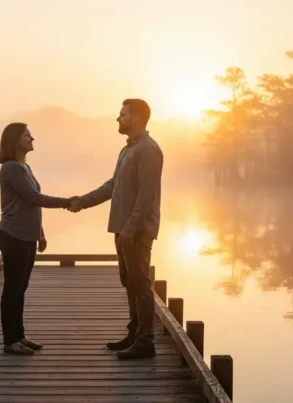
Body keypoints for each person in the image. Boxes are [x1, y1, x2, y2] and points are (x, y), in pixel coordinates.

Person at [68, 99, 163, 359]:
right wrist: (83, 202)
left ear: (137, 118)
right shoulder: (127, 150)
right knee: (129, 282)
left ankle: (145, 342)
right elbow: (113, 185)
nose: (118, 119)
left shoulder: (149, 150)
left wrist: (131, 228)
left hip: (136, 231)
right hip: (122, 229)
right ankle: (134, 333)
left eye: (122, 115)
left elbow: (146, 194)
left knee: (141, 284)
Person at [0, 122, 73, 355]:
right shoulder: (11, 168)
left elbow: (30, 204)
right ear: (15, 140)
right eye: (27, 135)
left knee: (21, 287)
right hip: (13, 235)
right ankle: (10, 341)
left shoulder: (24, 167)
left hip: (27, 236)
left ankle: (19, 335)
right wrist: (68, 202)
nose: (32, 138)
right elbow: (34, 197)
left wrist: (39, 232)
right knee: (12, 287)